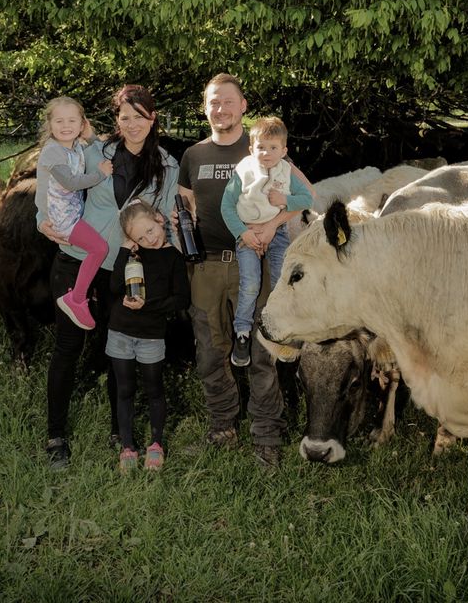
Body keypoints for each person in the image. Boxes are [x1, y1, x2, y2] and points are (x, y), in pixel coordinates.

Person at [40, 85, 180, 469]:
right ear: (116, 120)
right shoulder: (93, 152)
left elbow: (162, 222)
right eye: (125, 116)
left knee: (117, 347)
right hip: (79, 259)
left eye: (140, 116)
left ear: (153, 119)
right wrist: (42, 220)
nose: (132, 124)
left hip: (126, 268)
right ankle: (56, 435)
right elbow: (53, 186)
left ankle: (120, 432)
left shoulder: (168, 165)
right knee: (68, 347)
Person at [175, 73, 305, 468]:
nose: (221, 109)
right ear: (205, 108)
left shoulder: (263, 150)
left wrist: (270, 226)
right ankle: (222, 425)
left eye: (229, 101)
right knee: (211, 352)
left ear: (243, 106)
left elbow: (302, 198)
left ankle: (266, 433)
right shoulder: (193, 156)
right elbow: (184, 209)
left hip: (259, 263)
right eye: (214, 102)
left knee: (262, 351)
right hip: (209, 265)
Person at [219, 116, 313, 367]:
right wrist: (243, 233)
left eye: (273, 148)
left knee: (283, 281)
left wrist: (284, 199)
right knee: (250, 284)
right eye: (261, 147)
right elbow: (226, 206)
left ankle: (281, 331)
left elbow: (306, 199)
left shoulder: (286, 171)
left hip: (278, 232)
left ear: (284, 151)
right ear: (252, 149)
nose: (267, 153)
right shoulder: (243, 171)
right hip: (246, 233)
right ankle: (242, 332)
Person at [106, 200, 191, 471]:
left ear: (158, 219)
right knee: (125, 389)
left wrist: (149, 306)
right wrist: (123, 249)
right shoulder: (133, 254)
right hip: (120, 330)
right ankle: (128, 446)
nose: (149, 240)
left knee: (154, 388)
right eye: (140, 237)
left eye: (150, 231)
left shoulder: (174, 258)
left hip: (152, 335)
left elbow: (181, 299)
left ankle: (155, 444)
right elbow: (114, 286)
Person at [35, 97, 112, 331]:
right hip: (62, 219)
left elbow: (99, 151)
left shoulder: (76, 147)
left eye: (72, 120)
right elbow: (69, 183)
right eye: (59, 121)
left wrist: (91, 137)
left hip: (72, 214)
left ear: (82, 124)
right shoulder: (52, 152)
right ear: (50, 125)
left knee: (96, 248)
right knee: (99, 248)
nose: (65, 125)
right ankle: (76, 298)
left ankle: (79, 296)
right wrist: (101, 174)